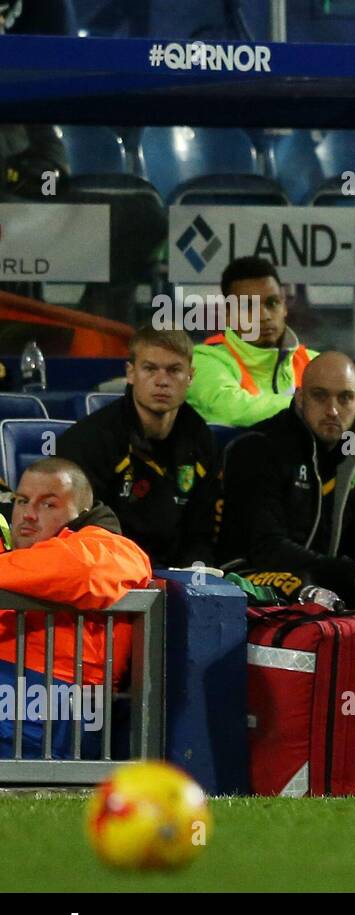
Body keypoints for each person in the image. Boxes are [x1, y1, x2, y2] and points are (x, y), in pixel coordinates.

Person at [217, 352, 355, 647]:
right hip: (252, 574)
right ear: (301, 396)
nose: (333, 410)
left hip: (331, 575)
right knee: (307, 589)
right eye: (321, 396)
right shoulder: (260, 448)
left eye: (345, 398)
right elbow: (266, 547)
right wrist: (353, 572)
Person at [0, 458, 152, 758]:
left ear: (80, 513)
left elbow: (86, 571)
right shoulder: (11, 554)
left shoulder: (110, 548)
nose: (28, 515)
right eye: (22, 501)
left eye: (48, 505)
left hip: (52, 731)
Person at [59, 326, 218, 568]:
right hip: (111, 572)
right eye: (150, 369)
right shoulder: (90, 440)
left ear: (190, 377)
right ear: (131, 373)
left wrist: (196, 575)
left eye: (174, 370)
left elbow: (201, 533)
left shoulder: (200, 439)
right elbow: (81, 531)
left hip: (178, 577)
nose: (162, 381)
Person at [187, 257, 317, 427]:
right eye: (248, 306)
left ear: (284, 307)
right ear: (227, 314)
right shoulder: (203, 361)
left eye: (272, 303)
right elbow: (230, 409)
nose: (264, 316)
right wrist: (312, 406)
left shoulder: (314, 362)